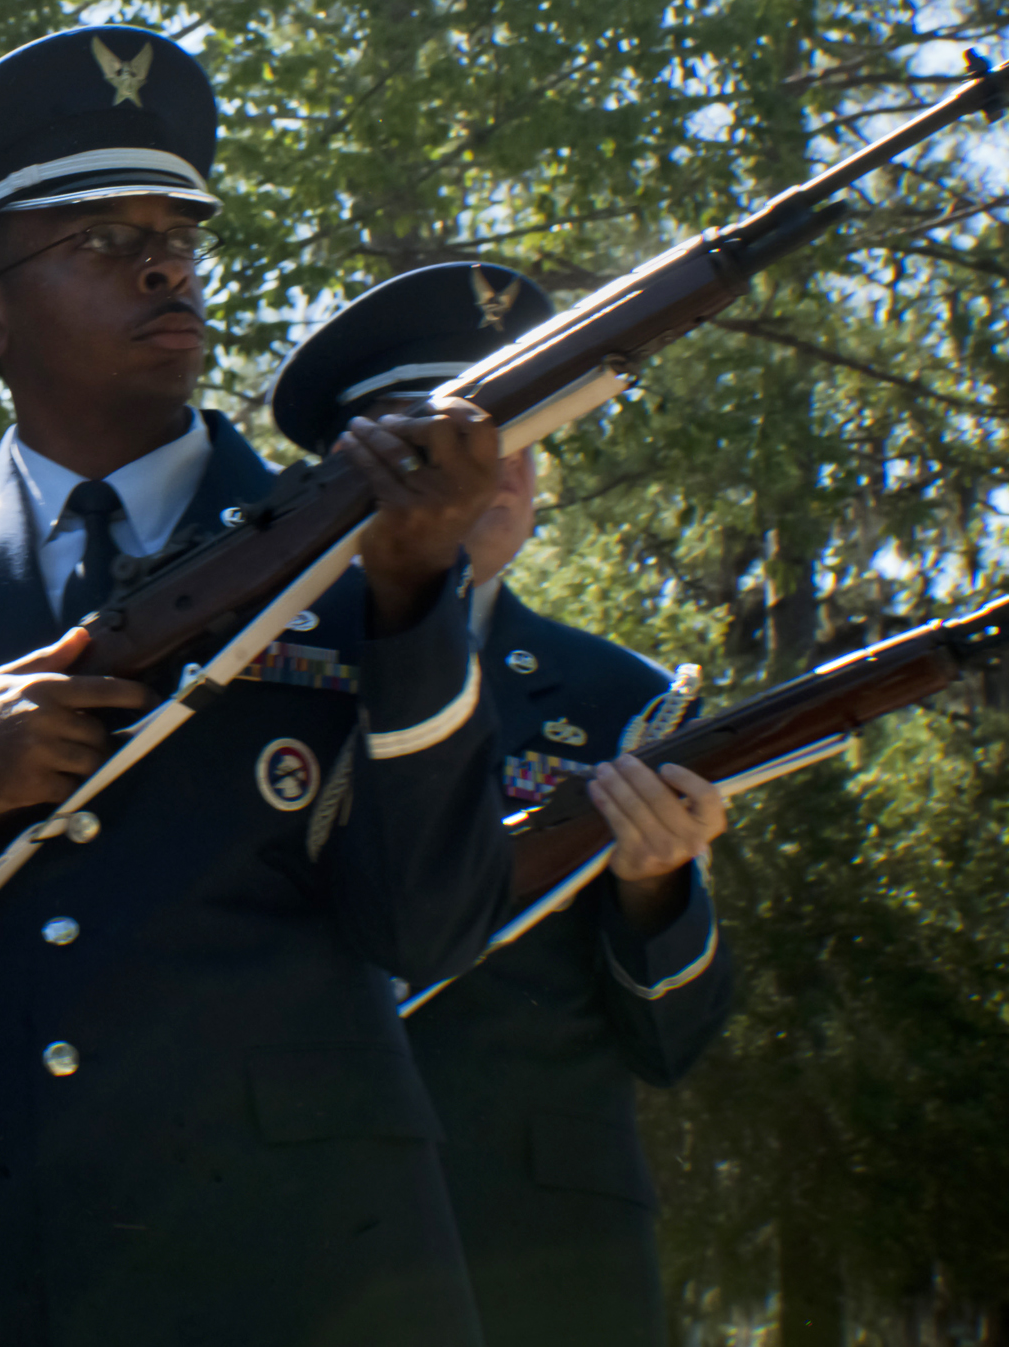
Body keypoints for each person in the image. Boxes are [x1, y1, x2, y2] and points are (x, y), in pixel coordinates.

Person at [0, 28, 512, 1347]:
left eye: (176, 233)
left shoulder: (358, 552)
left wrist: (418, 606)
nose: (161, 263)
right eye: (96, 239)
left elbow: (435, 928)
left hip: (293, 1264)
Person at [269, 262, 735, 1347]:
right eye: (457, 442)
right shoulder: (255, 671)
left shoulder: (623, 697)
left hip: (536, 1244)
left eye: (522, 436)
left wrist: (659, 890)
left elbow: (673, 1043)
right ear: (363, 471)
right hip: (292, 1223)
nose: (499, 471)